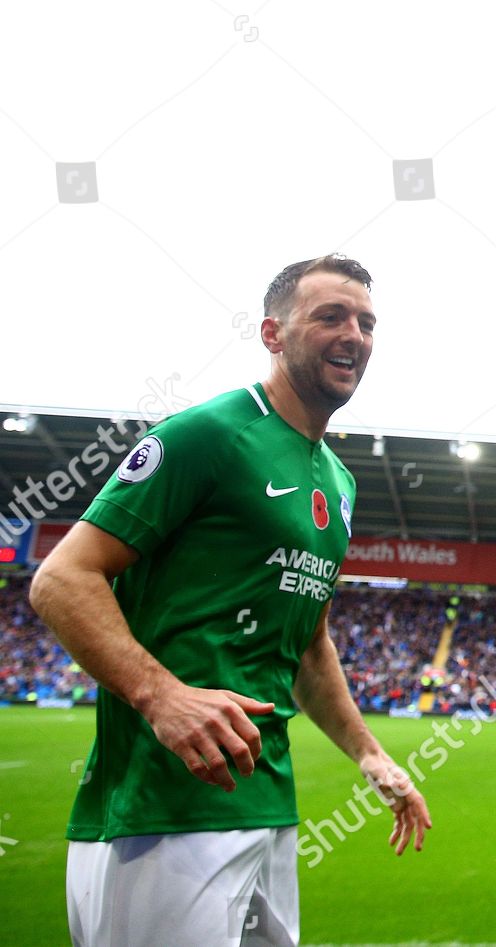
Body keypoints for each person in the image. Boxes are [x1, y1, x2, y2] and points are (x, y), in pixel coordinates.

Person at [30, 255, 432, 946]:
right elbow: (61, 578)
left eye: (367, 322)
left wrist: (370, 754)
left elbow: (309, 643)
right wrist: (161, 696)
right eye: (330, 315)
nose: (355, 335)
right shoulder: (211, 433)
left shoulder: (339, 480)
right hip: (163, 807)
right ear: (273, 334)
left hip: (268, 802)